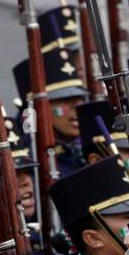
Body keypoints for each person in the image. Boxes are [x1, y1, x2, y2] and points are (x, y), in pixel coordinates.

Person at [11, 47, 88, 179]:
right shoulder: (31, 160)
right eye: (65, 100)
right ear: (38, 108)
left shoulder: (82, 148)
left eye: (79, 98)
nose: (77, 106)